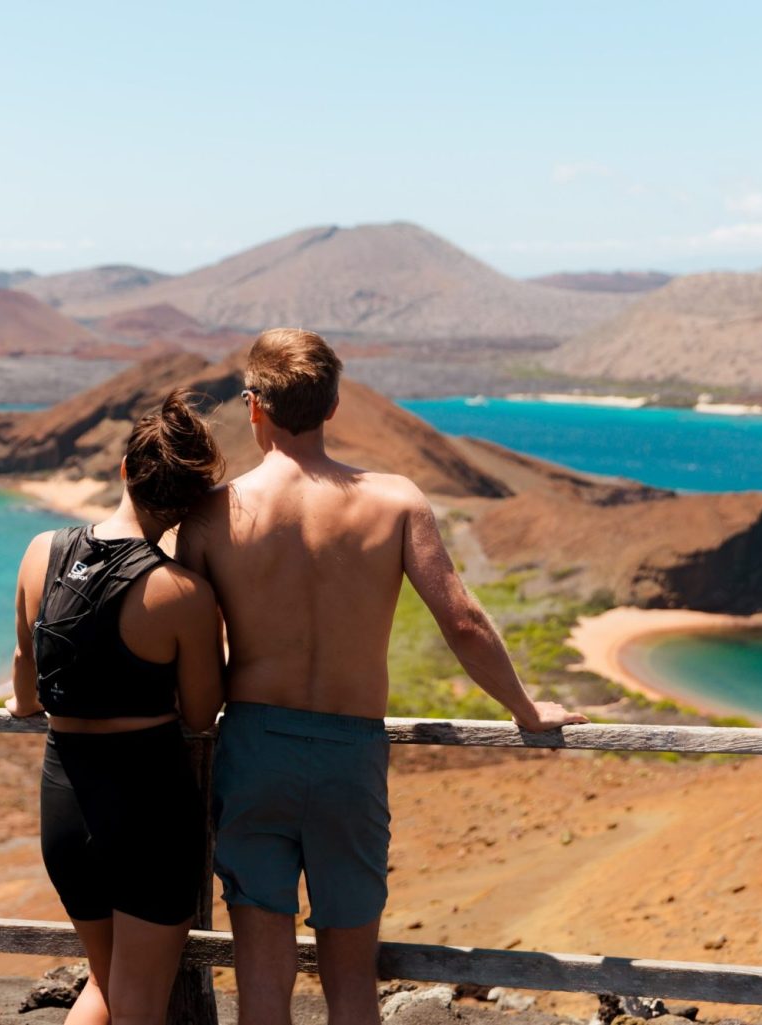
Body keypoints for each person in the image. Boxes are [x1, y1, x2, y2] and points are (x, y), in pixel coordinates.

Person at [177, 329, 588, 1025]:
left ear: (254, 406)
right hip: (349, 754)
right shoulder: (396, 501)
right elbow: (463, 621)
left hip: (253, 751)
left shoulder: (213, 514)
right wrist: (525, 708)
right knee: (352, 988)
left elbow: (184, 636)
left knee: (263, 991)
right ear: (334, 405)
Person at [6, 390, 227, 1025]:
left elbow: (26, 679)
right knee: (138, 1004)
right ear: (190, 500)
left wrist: (21, 702)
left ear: (125, 469)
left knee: (103, 988)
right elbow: (200, 715)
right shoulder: (182, 593)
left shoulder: (41, 551)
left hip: (64, 800)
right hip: (146, 804)